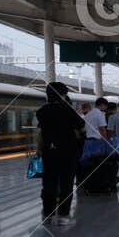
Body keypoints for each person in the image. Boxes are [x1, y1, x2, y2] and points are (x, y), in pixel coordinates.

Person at [36, 82, 84, 225]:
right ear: (63, 95)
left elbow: (41, 133)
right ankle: (63, 215)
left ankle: (48, 214)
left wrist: (39, 149)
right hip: (68, 152)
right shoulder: (68, 110)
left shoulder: (42, 111)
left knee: (48, 183)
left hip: (49, 152)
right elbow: (81, 128)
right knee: (66, 184)